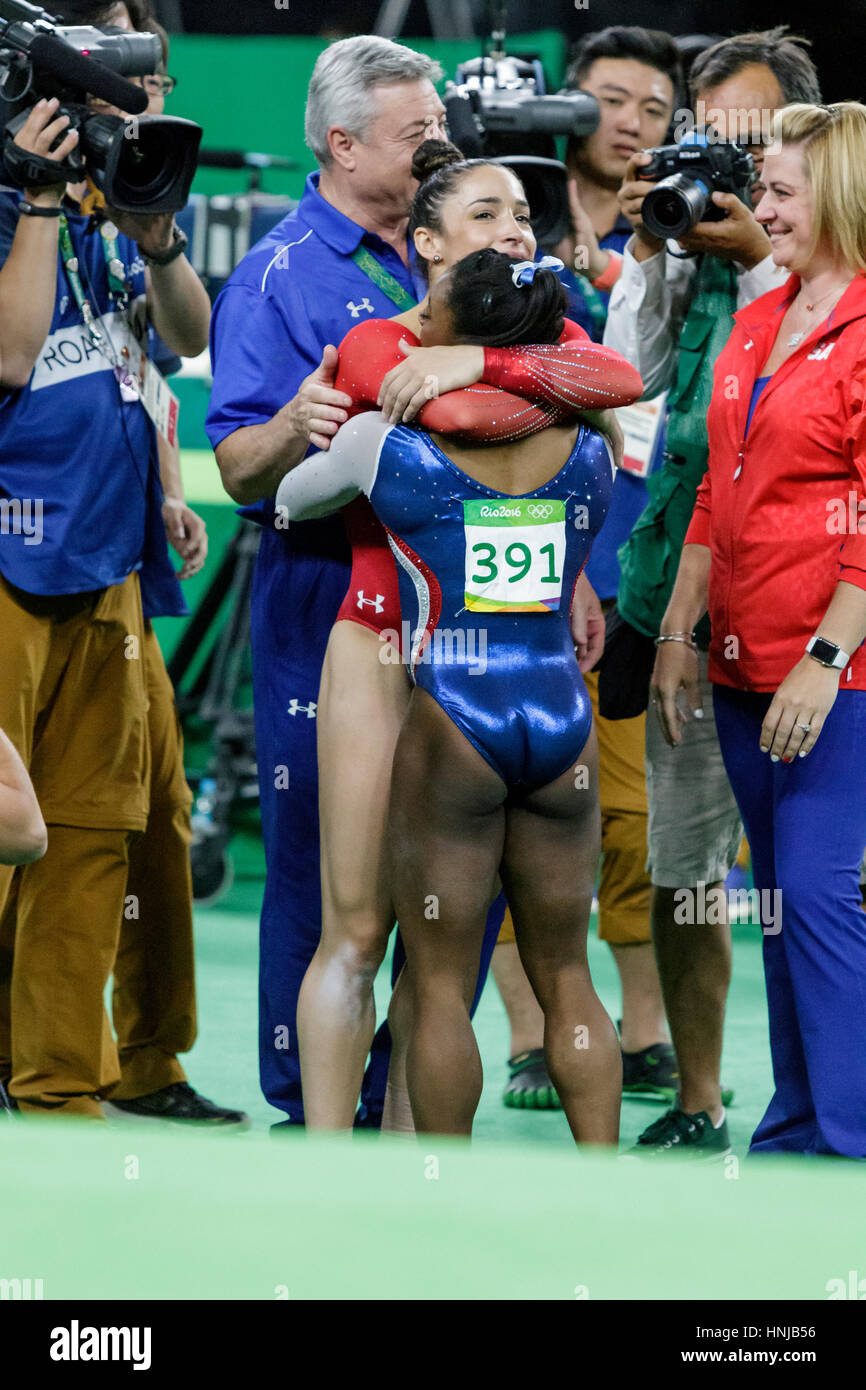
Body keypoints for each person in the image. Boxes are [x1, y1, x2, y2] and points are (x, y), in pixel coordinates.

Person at [293, 138, 641, 1131]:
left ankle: (423, 1175)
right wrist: (525, 377)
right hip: (402, 652)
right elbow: (497, 409)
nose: (514, 229)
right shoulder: (381, 344)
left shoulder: (528, 340)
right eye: (485, 214)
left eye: (521, 216)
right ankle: (324, 1157)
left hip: (454, 688)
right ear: (425, 240)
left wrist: (485, 354)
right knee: (363, 933)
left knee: (441, 971)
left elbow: (607, 377)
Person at [603, 27, 821, 1157]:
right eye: (709, 138)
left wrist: (753, 260)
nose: (727, 169)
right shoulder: (690, 241)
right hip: (678, 592)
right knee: (686, 873)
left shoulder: (835, 265)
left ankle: (828, 1097)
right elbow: (623, 376)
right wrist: (652, 247)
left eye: (748, 144)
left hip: (812, 617)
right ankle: (699, 1095)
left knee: (824, 888)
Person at [0, 0, 211, 1115]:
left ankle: (59, 1090)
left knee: (90, 835)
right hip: (7, 552)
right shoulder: (19, 198)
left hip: (106, 562)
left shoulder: (116, 200)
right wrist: (37, 197)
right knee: (3, 829)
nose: (130, 103)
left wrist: (156, 231)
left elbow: (183, 337)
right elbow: (9, 353)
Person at [652, 101, 866, 1158]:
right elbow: (713, 485)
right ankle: (794, 1127)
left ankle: (842, 1142)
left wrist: (825, 660)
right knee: (782, 909)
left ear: (837, 196)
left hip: (836, 679)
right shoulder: (757, 316)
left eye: (780, 192)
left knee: (822, 904)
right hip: (739, 672)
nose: (759, 209)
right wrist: (680, 630)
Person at [496, 26, 683, 1110]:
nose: (627, 122)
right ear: (567, 110)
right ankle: (530, 1034)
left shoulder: (682, 240)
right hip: (527, 575)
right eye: (607, 100)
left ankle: (646, 1028)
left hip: (640, 582)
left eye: (651, 109)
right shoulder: (508, 231)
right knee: (522, 812)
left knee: (631, 824)